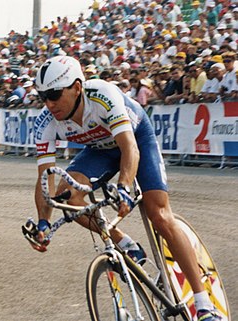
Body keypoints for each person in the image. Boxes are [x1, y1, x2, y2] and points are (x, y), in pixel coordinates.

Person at [28, 56, 221, 321]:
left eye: (54, 94)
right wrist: (42, 224)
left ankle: (203, 304)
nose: (48, 104)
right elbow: (44, 180)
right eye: (43, 97)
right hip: (99, 150)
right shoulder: (45, 122)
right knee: (67, 196)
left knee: (159, 215)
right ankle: (127, 245)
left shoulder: (102, 95)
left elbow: (129, 147)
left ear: (76, 87)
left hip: (136, 139)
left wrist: (124, 188)